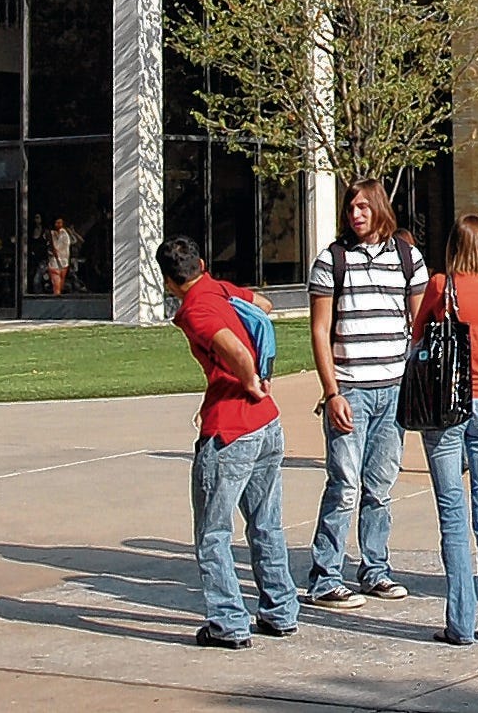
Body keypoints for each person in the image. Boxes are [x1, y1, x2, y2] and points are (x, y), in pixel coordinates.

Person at [157, 235, 298, 649]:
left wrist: (250, 380)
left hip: (231, 430)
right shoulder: (218, 288)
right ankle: (280, 610)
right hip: (266, 424)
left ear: (168, 281)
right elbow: (265, 307)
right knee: (266, 523)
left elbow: (232, 348)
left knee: (213, 532)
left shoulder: (196, 308)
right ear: (201, 263)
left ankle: (228, 622)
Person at [304, 178, 426, 609]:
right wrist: (331, 391)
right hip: (350, 390)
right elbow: (319, 330)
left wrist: (415, 382)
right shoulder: (331, 261)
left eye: (363, 207)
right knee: (344, 486)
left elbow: (418, 326)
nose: (356, 214)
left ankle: (375, 569)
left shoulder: (408, 259)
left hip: (393, 390)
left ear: (379, 209)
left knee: (380, 486)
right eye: (350, 207)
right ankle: (325, 577)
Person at [417, 215, 478, 645]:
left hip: (447, 405)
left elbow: (418, 333)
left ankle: (459, 621)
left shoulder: (442, 286)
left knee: (453, 516)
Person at [46, 218, 77, 295]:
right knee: (56, 282)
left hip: (64, 261)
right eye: (57, 222)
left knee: (61, 283)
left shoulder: (65, 233)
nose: (59, 224)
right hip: (54, 261)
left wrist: (71, 232)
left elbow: (73, 241)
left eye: (60, 222)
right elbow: (47, 245)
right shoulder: (50, 233)